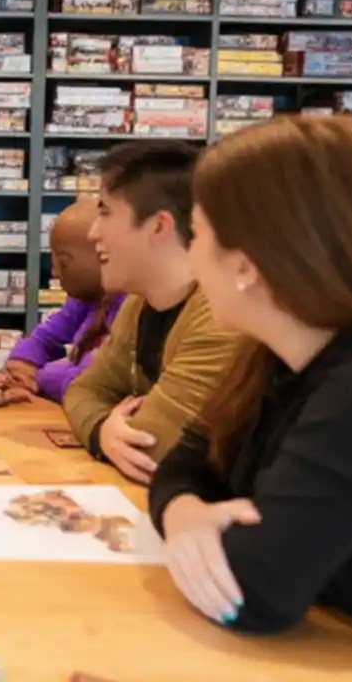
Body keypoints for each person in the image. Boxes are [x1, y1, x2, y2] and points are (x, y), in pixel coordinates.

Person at [149, 115, 352, 677]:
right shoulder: (273, 353)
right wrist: (188, 515)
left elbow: (253, 591)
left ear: (245, 266)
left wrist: (210, 532)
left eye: (199, 234)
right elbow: (182, 467)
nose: (191, 260)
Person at [62, 141, 236, 484]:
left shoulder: (220, 317)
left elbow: (150, 448)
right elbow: (83, 390)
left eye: (105, 212)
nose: (94, 232)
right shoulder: (138, 302)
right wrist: (102, 430)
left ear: (159, 226)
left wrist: (111, 427)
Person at [0, 197, 124, 405]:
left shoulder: (130, 307)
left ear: (102, 253)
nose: (55, 272)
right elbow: (43, 338)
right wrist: (22, 364)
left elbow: (89, 378)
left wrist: (39, 378)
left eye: (64, 262)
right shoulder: (83, 301)